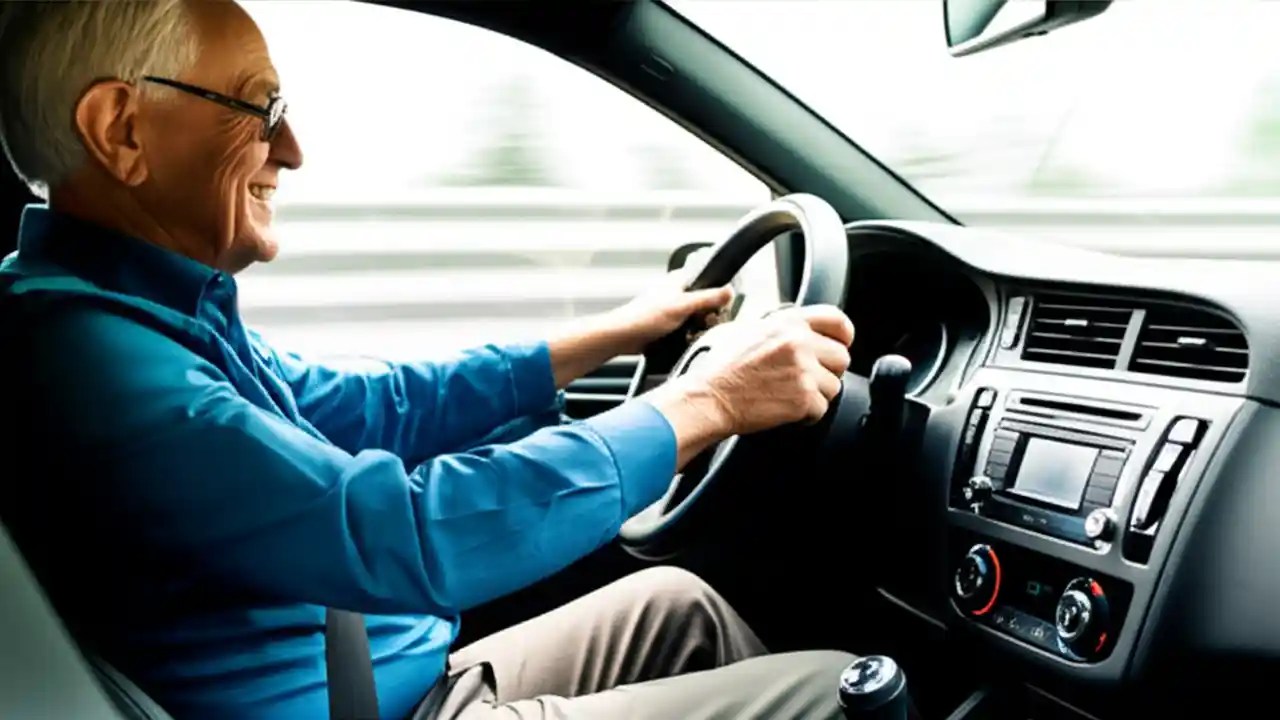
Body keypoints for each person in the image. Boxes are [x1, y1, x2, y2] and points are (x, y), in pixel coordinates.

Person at [0, 2, 862, 719]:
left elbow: (373, 406)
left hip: (388, 683)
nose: (291, 148)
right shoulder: (94, 367)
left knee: (682, 608)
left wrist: (611, 334)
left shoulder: (142, 316)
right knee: (829, 691)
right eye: (258, 109)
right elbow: (395, 535)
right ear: (122, 130)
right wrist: (708, 401)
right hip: (376, 709)